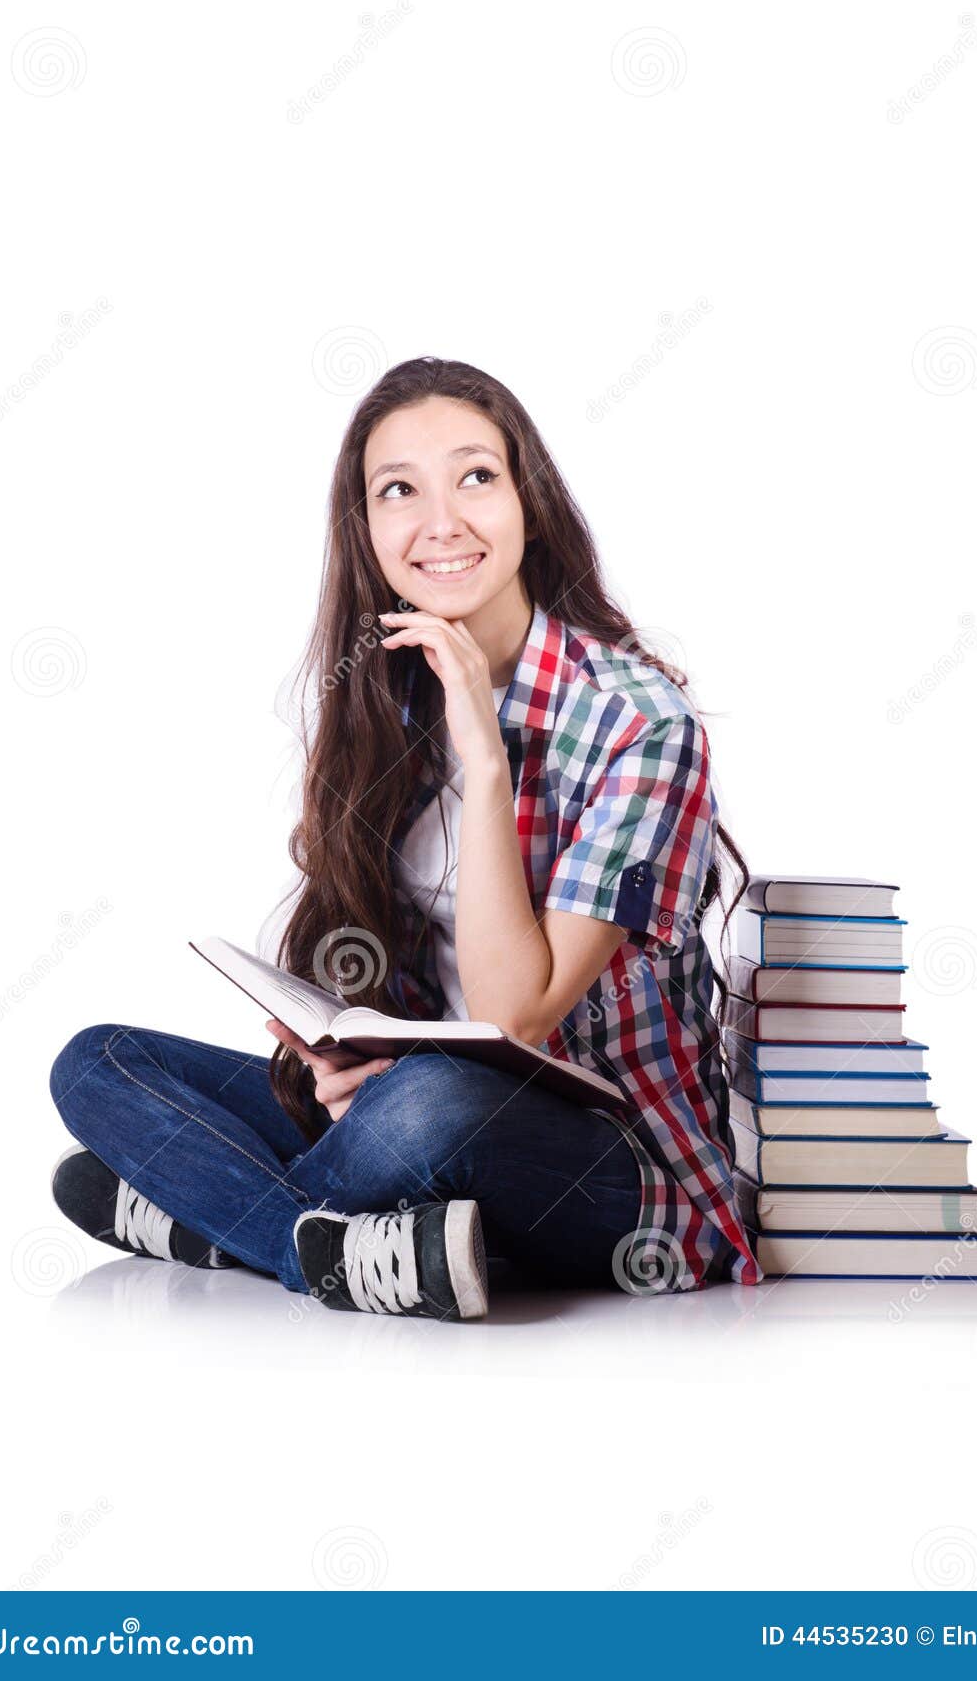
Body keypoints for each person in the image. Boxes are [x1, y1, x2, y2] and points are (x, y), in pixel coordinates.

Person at [49, 355, 765, 1321]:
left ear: (530, 502)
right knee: (98, 1063)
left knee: (429, 1106)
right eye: (399, 491)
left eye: (476, 476)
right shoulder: (386, 706)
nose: (442, 522)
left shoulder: (642, 725)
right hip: (412, 1123)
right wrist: (339, 1067)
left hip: (616, 1172)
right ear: (367, 531)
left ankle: (217, 1222)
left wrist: (486, 753)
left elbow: (516, 1015)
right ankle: (345, 1248)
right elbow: (409, 1007)